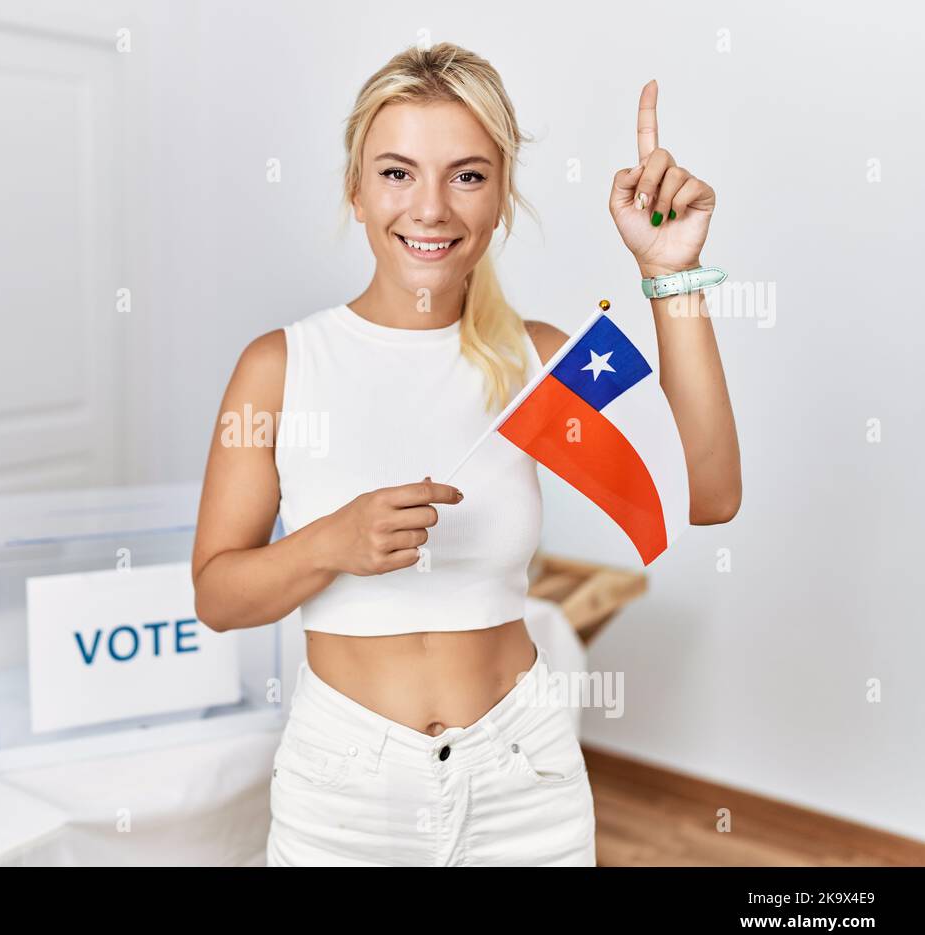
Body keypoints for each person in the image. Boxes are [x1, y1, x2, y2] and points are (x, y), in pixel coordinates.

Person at [191, 42, 741, 866]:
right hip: (343, 787)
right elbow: (217, 596)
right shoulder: (279, 367)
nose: (432, 208)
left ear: (502, 198)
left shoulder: (541, 361)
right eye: (397, 172)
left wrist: (674, 272)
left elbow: (709, 488)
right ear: (355, 191)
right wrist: (327, 544)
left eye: (469, 175)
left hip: (526, 775)